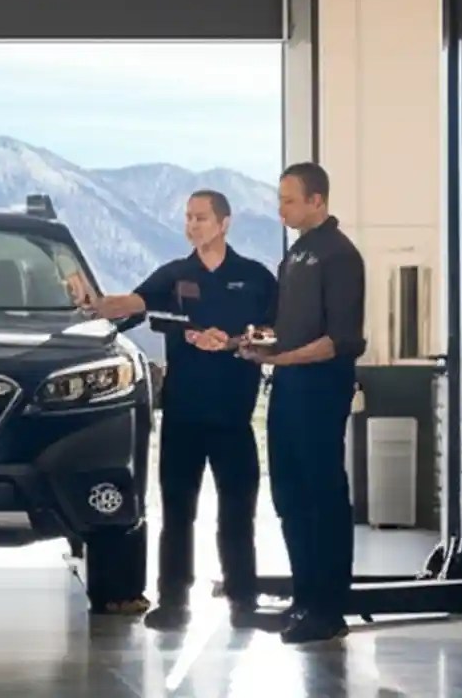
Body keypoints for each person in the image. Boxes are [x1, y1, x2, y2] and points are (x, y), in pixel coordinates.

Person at [92, 189, 277, 630]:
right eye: (188, 218)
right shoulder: (173, 276)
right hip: (181, 417)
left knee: (237, 512)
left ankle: (243, 601)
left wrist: (233, 341)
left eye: (201, 218)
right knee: (177, 512)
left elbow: (275, 329)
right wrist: (94, 301)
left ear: (224, 222)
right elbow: (131, 304)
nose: (192, 226)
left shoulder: (255, 277)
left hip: (234, 417)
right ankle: (173, 602)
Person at [238, 162, 366, 644]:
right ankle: (304, 601)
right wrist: (246, 343)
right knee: (290, 496)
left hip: (320, 388)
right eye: (279, 199)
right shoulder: (295, 256)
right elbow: (281, 328)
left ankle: (329, 611)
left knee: (321, 497)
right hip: (289, 387)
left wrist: (286, 359)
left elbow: (341, 339)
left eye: (289, 200)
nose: (281, 209)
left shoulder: (339, 255)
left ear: (318, 200)